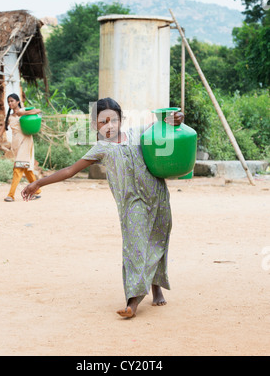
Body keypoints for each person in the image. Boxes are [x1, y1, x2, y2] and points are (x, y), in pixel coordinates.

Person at [21, 97, 184, 318]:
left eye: (113, 120)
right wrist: (38, 182)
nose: (109, 126)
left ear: (121, 119)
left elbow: (164, 126)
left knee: (157, 240)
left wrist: (175, 120)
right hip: (132, 202)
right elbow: (70, 170)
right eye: (102, 122)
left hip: (157, 197)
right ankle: (132, 302)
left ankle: (156, 288)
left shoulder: (139, 134)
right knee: (135, 247)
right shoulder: (100, 148)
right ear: (95, 125)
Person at [0, 93, 42, 202]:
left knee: (18, 168)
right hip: (16, 145)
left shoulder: (24, 112)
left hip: (26, 142)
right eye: (8, 101)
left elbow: (38, 111)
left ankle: (10, 195)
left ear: (18, 101)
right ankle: (36, 190)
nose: (10, 103)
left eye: (12, 101)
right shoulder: (9, 118)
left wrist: (23, 112)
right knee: (25, 168)